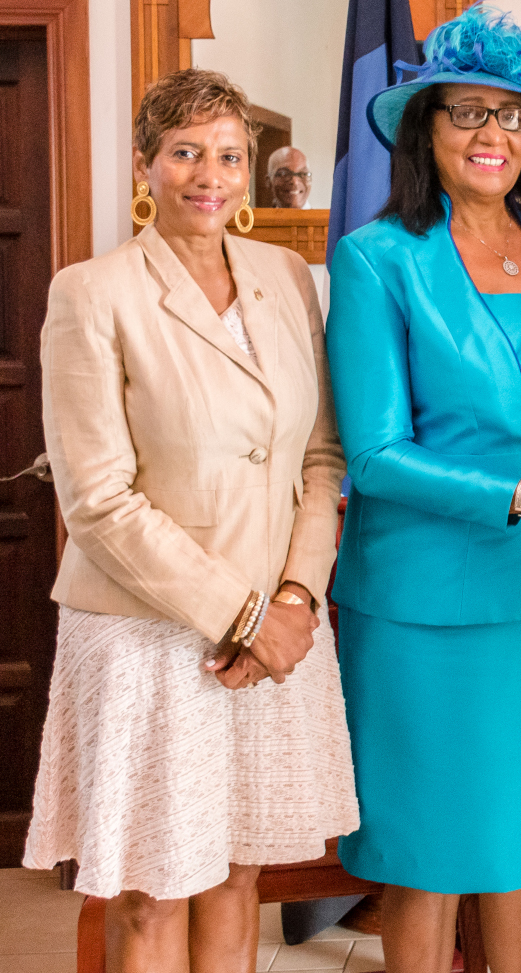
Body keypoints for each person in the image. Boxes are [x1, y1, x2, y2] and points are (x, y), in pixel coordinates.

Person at [326, 2, 521, 973]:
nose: (490, 134)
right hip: (419, 608)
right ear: (425, 129)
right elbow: (375, 454)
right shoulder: (376, 258)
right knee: (423, 854)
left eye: (508, 116)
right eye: (465, 113)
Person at [24, 68, 354, 971]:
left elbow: (322, 457)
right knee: (152, 890)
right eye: (185, 154)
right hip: (149, 633)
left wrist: (292, 598)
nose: (209, 175)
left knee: (237, 874)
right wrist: (243, 616)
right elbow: (97, 500)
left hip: (278, 628)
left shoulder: (287, 276)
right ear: (144, 165)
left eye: (229, 155)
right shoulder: (90, 293)